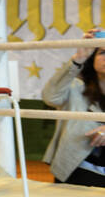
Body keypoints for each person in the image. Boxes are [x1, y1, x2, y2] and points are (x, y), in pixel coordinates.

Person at [42, 29, 105, 187]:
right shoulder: (76, 86)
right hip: (77, 168)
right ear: (92, 59)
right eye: (102, 52)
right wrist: (79, 58)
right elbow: (50, 98)